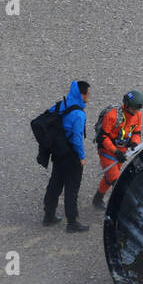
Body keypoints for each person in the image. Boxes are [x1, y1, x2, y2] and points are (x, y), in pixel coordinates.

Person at [43, 80, 92, 232]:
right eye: (88, 93)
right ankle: (72, 223)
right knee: (72, 190)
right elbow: (77, 138)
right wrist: (82, 157)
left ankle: (48, 216)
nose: (89, 96)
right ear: (82, 94)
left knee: (55, 185)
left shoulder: (60, 105)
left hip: (58, 153)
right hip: (71, 156)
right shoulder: (78, 113)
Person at [91, 90, 143, 208]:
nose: (135, 111)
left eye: (137, 109)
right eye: (133, 108)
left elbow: (136, 132)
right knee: (116, 179)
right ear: (126, 104)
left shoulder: (138, 115)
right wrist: (115, 151)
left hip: (122, 152)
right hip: (107, 152)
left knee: (109, 177)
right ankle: (128, 205)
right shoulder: (112, 116)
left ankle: (98, 198)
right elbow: (102, 137)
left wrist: (135, 143)